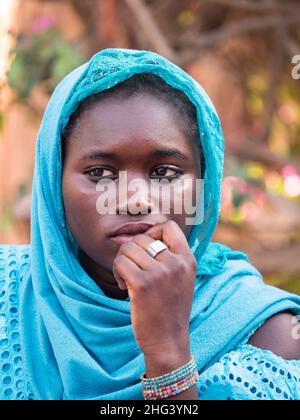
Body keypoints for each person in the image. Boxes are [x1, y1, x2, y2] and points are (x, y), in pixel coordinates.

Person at [0, 48, 299, 400]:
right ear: (54, 184)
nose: (135, 199)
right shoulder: (9, 296)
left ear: (204, 185)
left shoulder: (271, 336)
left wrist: (168, 353)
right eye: (100, 173)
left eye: (164, 172)